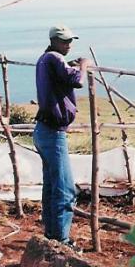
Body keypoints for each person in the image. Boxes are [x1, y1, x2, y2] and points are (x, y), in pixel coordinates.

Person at [33, 25, 91, 248]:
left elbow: (63, 76)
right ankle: (61, 240)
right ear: (54, 41)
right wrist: (83, 65)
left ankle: (51, 234)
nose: (68, 45)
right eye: (65, 41)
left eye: (70, 41)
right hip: (53, 132)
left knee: (51, 186)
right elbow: (78, 80)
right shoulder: (55, 58)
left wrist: (71, 65)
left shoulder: (44, 59)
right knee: (65, 189)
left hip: (44, 130)